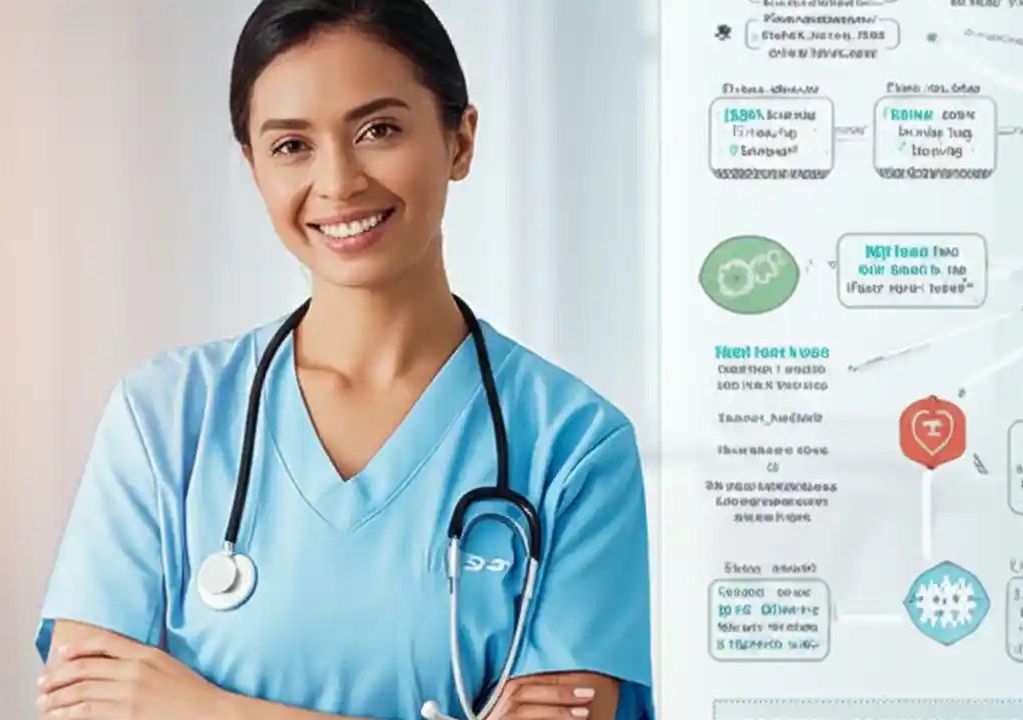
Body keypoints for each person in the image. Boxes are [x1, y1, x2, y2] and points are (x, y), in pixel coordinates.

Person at [32, 1, 653, 718]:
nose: (338, 181)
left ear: (460, 140)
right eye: (292, 145)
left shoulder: (573, 445)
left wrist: (204, 707)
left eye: (378, 130)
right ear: (254, 167)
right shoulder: (167, 416)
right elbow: (85, 705)